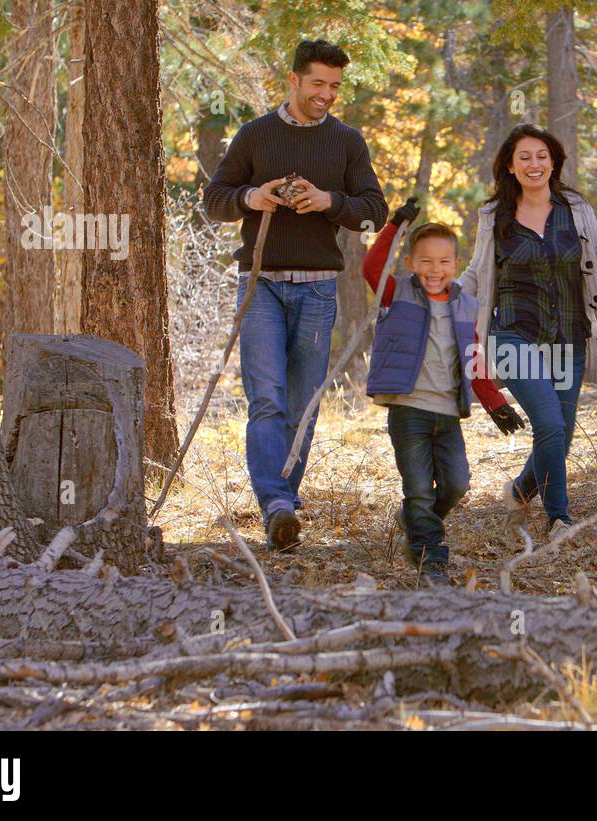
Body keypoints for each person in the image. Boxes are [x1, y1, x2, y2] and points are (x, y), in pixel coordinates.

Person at [203, 39, 388, 549]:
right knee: (267, 399)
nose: (327, 94)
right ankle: (277, 504)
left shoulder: (347, 141)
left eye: (335, 86)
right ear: (294, 79)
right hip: (260, 283)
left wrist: (329, 201)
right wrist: (253, 196)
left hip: (317, 288)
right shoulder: (255, 135)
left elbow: (376, 210)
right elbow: (214, 201)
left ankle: (283, 501)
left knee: (303, 403)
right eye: (318, 84)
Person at [458, 124, 597, 542]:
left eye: (542, 156)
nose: (534, 164)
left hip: (570, 335)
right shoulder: (493, 216)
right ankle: (559, 518)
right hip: (513, 335)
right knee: (549, 424)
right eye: (524, 157)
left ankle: (522, 490)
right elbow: (476, 272)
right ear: (510, 165)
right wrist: (437, 296)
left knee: (561, 431)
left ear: (554, 161)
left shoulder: (574, 207)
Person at [361, 200, 525, 586]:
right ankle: (430, 559)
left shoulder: (466, 303)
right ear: (411, 264)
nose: (435, 270)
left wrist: (496, 403)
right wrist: (396, 225)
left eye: (444, 262)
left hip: (448, 412)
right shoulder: (396, 293)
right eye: (426, 262)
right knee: (417, 488)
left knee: (457, 484)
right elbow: (371, 266)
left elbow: (474, 359)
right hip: (408, 410)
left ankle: (416, 521)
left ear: (455, 263)